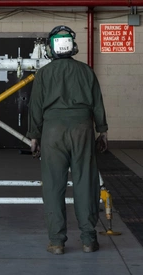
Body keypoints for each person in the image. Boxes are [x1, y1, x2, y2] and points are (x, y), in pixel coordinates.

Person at [27, 25, 108, 255]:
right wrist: (102, 131)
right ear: (72, 46)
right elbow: (97, 103)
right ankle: (88, 239)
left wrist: (34, 136)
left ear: (51, 49)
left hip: (52, 131)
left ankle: (57, 242)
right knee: (86, 182)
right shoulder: (86, 71)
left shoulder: (43, 74)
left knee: (53, 185)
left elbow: (35, 107)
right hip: (82, 129)